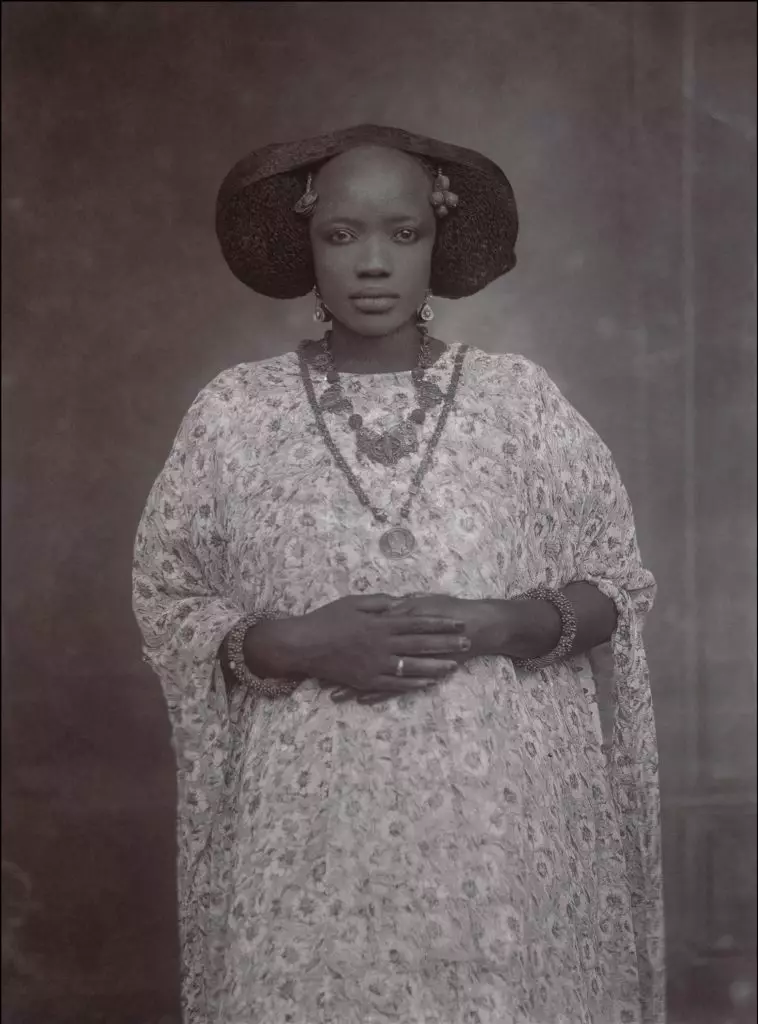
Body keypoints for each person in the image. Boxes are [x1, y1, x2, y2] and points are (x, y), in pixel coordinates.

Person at [132, 124, 665, 1024]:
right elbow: (169, 599)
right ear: (307, 245)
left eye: (402, 233)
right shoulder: (233, 414)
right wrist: (297, 641)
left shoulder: (518, 400)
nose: (372, 263)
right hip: (309, 855)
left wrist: (497, 622)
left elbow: (615, 585)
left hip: (499, 850)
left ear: (436, 240)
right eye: (342, 235)